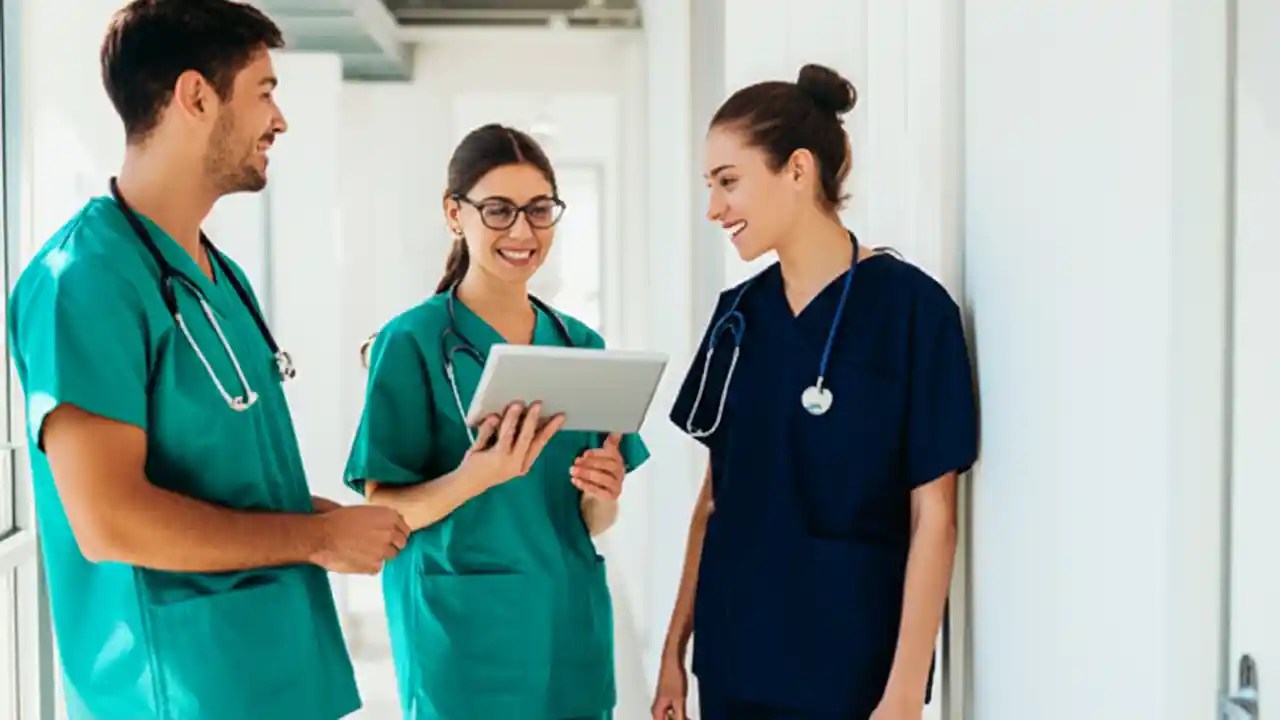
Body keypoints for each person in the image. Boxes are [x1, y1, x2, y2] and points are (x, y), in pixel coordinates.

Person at [6, 2, 410, 718]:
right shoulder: (83, 281)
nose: (279, 120)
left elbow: (223, 478)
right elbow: (111, 522)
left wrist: (334, 523)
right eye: (263, 92)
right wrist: (317, 537)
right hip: (179, 691)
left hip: (271, 677)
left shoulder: (216, 276)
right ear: (196, 97)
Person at [651, 64, 979, 720]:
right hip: (733, 660)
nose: (714, 208)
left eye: (728, 182)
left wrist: (905, 694)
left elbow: (935, 518)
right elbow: (713, 501)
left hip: (850, 668)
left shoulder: (913, 312)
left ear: (797, 170)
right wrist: (671, 654)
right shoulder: (736, 317)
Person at [344, 123, 651, 720]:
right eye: (498, 210)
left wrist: (605, 490)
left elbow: (591, 520)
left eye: (539, 210)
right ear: (454, 215)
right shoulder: (412, 341)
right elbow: (385, 509)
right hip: (459, 630)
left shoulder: (579, 345)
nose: (522, 231)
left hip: (566, 621)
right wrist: (477, 476)